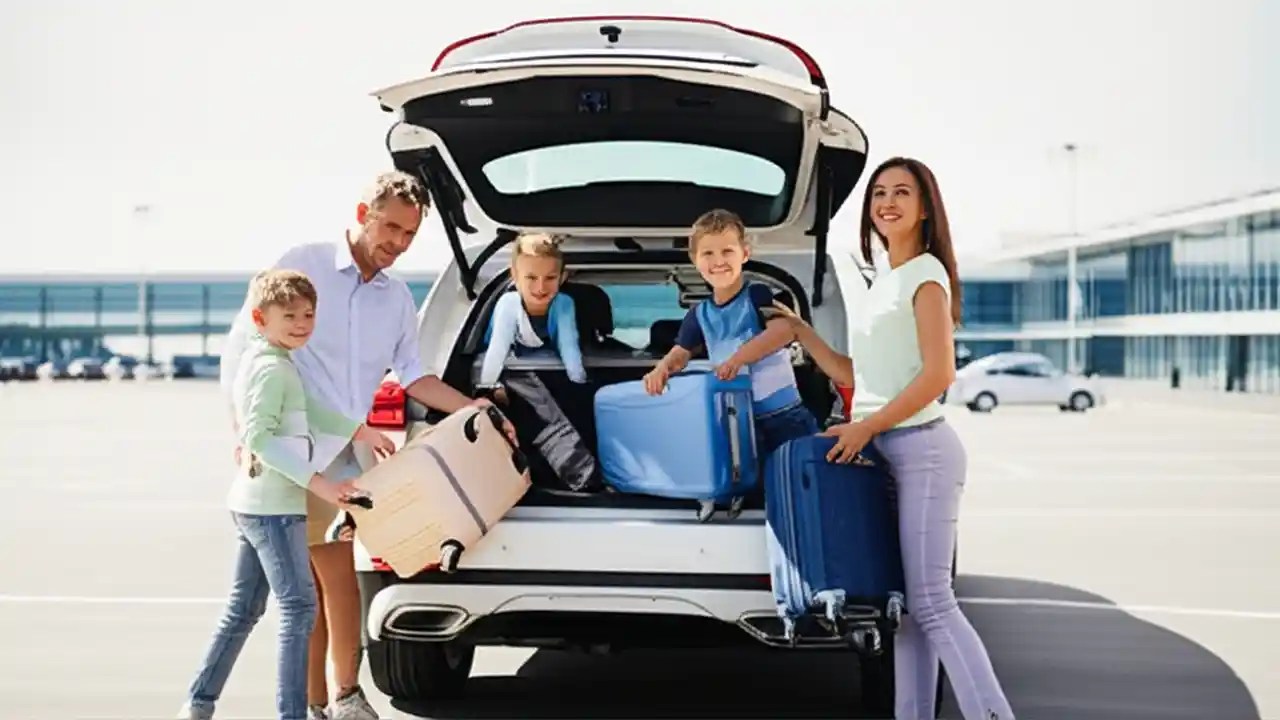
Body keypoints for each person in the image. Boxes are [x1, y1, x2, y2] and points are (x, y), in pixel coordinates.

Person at [217, 171, 514, 720]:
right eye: (392, 228)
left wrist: (476, 409)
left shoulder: (397, 300)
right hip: (290, 459)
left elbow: (413, 376)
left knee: (338, 583)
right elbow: (242, 351)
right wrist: (243, 433)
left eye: (409, 235)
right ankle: (313, 703)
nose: (399, 244)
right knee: (301, 595)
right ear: (362, 213)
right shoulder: (302, 264)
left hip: (347, 462)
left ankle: (341, 694)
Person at [769, 157, 1014, 720]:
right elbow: (858, 375)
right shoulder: (885, 281)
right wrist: (803, 331)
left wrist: (867, 426)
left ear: (925, 207)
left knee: (933, 604)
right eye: (879, 192)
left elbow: (938, 375)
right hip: (885, 449)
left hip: (921, 448)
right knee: (905, 611)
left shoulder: (927, 276)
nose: (887, 202)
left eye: (902, 192)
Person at [179, 270, 394, 720]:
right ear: (260, 318)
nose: (302, 323)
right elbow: (257, 437)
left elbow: (310, 409)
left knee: (244, 610)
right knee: (298, 608)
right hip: (273, 508)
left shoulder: (273, 360)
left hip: (255, 505)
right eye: (290, 315)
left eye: (309, 314)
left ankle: (198, 705)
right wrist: (323, 485)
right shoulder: (272, 368)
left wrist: (358, 428)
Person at [642, 208, 818, 518]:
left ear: (744, 254)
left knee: (797, 488)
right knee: (752, 484)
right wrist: (661, 369)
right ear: (695, 260)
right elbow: (681, 352)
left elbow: (781, 332)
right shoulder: (699, 314)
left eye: (727, 250)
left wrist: (738, 359)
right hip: (738, 421)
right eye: (708, 252)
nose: (718, 260)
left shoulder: (757, 296)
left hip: (783, 415)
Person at [478, 231, 587, 386]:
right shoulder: (508, 304)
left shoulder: (564, 303)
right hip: (497, 368)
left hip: (539, 367)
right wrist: (487, 386)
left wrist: (579, 383)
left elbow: (569, 345)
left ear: (562, 278)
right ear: (515, 276)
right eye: (531, 278)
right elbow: (497, 349)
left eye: (550, 278)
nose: (541, 287)